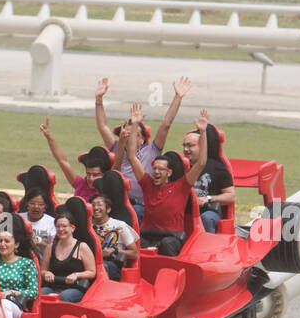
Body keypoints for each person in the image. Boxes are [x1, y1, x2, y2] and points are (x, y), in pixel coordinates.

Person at [95, 76, 191, 221]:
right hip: (119, 203)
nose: (130, 137)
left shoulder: (152, 151)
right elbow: (102, 126)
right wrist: (99, 99)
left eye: (135, 134)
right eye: (127, 134)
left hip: (143, 204)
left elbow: (166, 124)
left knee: (135, 211)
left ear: (142, 138)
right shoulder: (117, 147)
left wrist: (178, 97)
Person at [123, 116, 207, 258]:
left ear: (169, 173)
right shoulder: (147, 184)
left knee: (166, 244)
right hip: (147, 235)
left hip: (172, 238)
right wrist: (135, 124)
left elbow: (201, 163)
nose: (156, 172)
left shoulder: (182, 186)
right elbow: (132, 156)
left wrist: (203, 133)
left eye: (161, 169)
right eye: (154, 168)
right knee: (132, 245)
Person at [183, 112, 235, 233]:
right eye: (184, 146)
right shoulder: (181, 165)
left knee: (206, 218)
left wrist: (208, 198)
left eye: (190, 146)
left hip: (208, 211)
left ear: (202, 146)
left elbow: (231, 196)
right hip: (185, 209)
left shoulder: (218, 167)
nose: (186, 149)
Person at [40, 116, 108, 203]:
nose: (90, 179)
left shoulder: (108, 190)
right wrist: (49, 137)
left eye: (95, 175)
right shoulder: (81, 184)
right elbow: (62, 161)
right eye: (88, 174)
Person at [0, 218, 39, 318]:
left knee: (4, 304)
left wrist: (11, 293)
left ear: (16, 244)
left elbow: (33, 292)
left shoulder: (26, 263)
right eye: (0, 241)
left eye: (7, 241)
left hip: (13, 304)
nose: (2, 244)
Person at [41, 213, 96, 302]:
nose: (61, 229)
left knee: (64, 297)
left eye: (64, 226)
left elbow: (92, 272)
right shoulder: (50, 247)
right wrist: (46, 273)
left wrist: (76, 275)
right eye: (58, 226)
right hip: (53, 286)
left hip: (74, 287)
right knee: (40, 294)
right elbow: (42, 270)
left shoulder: (82, 247)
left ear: (72, 228)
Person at [89, 194, 139, 282]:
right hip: (91, 262)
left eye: (99, 204)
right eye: (93, 205)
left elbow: (134, 253)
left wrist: (115, 251)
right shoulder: (88, 226)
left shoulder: (120, 226)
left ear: (108, 209)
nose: (96, 208)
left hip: (112, 264)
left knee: (101, 268)